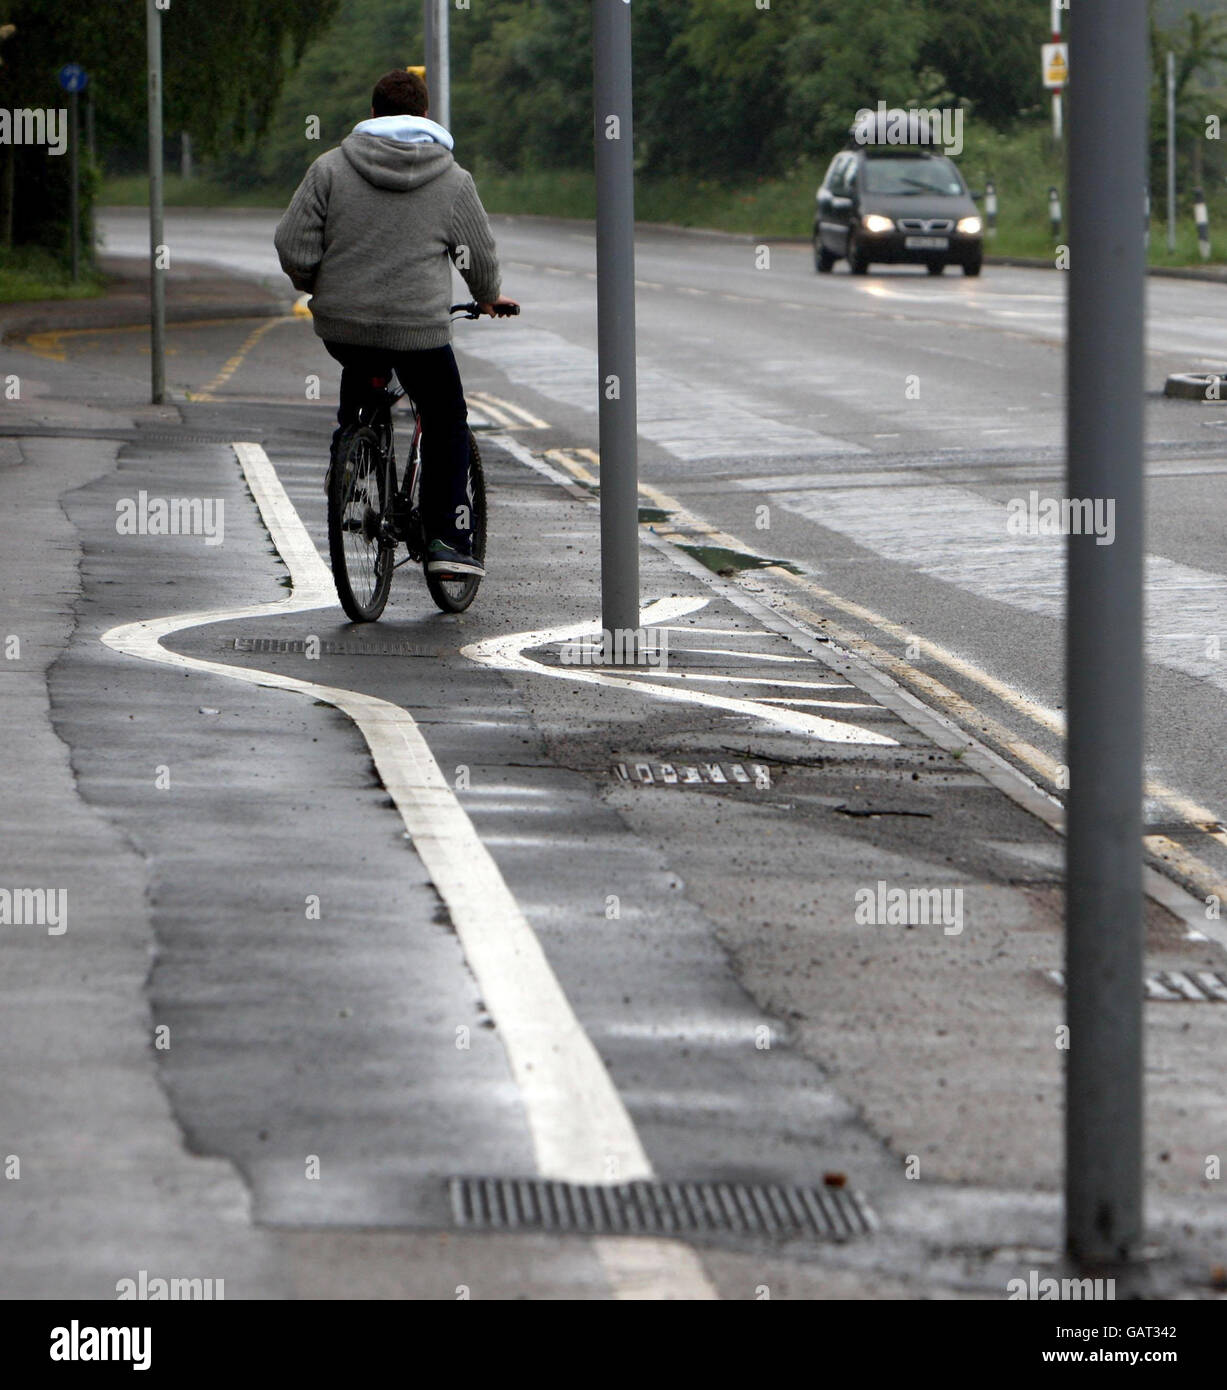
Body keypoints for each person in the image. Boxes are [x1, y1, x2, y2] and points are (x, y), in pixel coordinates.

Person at [274, 69, 517, 578]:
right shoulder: (453, 181)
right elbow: (478, 256)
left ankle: (353, 471)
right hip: (419, 332)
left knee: (361, 369)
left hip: (345, 326)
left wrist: (315, 282)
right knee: (445, 417)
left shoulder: (329, 169)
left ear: (372, 114)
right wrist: (487, 297)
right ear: (425, 116)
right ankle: (449, 543)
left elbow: (292, 244)